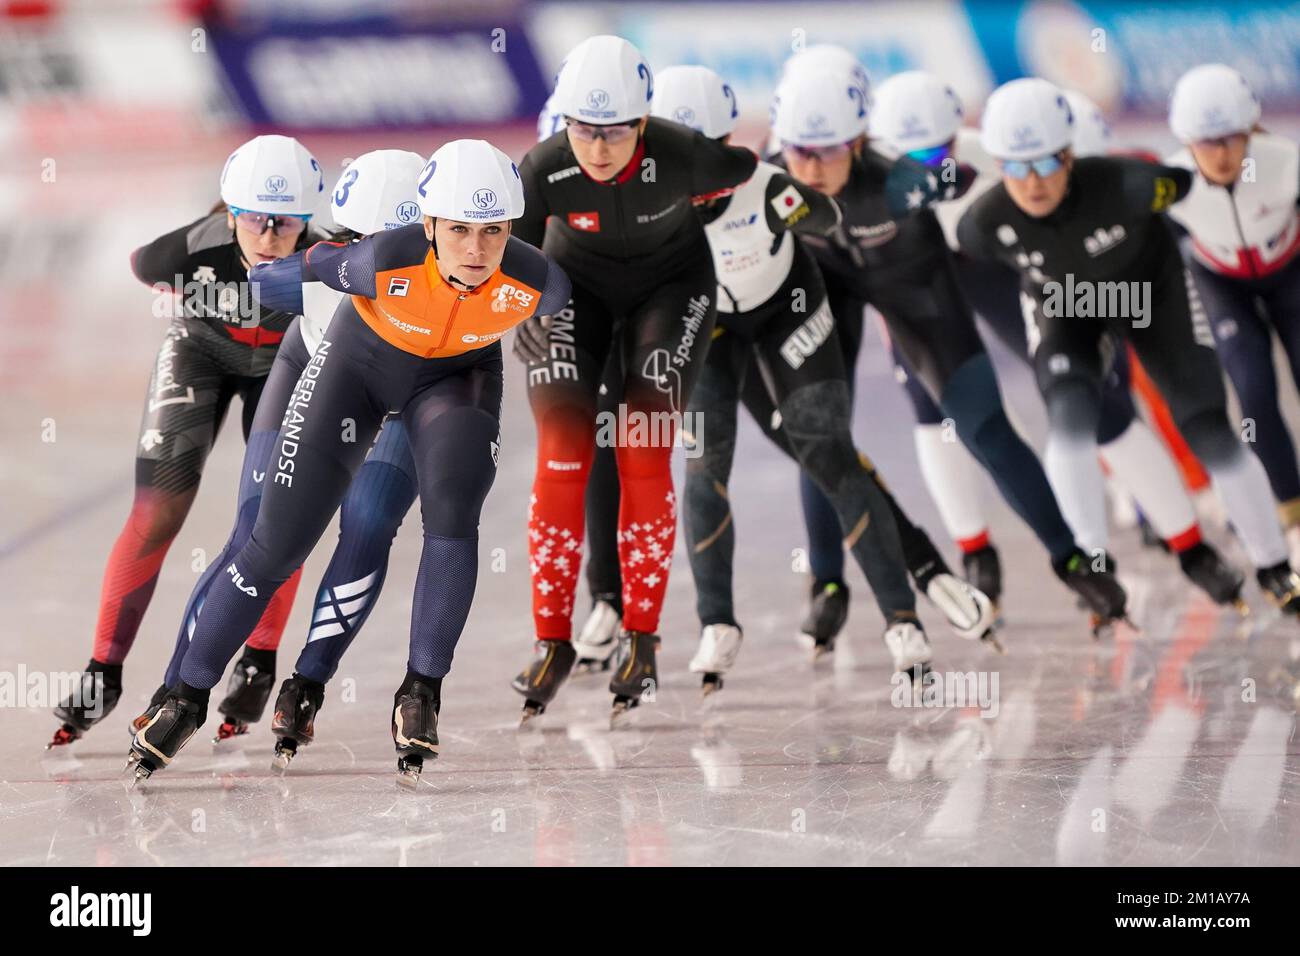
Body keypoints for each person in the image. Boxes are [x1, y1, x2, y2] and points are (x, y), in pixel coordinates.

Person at [126, 139, 571, 786]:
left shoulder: (538, 282)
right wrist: (262, 281)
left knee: (452, 517)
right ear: (428, 227)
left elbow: (577, 298)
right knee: (273, 543)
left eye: (493, 233)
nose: (475, 251)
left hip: (452, 385)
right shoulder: (378, 259)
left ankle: (421, 691)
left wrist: (556, 328)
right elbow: (308, 264)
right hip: (356, 373)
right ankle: (186, 696)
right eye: (458, 231)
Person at [769, 56, 1128, 639]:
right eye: (797, 151)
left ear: (860, 141)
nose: (809, 167)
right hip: (823, 287)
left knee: (984, 426)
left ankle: (1068, 558)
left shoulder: (903, 179)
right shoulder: (766, 175)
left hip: (914, 289)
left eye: (828, 151)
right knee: (820, 427)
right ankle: (827, 583)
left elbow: (977, 169)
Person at [870, 71, 1245, 611]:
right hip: (914, 284)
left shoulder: (994, 159)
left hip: (991, 268)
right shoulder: (864, 182)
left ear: (962, 135)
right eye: (914, 158)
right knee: (933, 411)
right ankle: (975, 549)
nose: (933, 167)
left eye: (941, 150)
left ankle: (1189, 546)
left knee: (1102, 407)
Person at [127, 150, 429, 768]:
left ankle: (307, 683)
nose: (367, 258)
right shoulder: (316, 264)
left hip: (404, 395)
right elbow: (222, 275)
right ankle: (180, 692)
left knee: (368, 526)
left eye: (393, 246)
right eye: (354, 241)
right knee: (258, 533)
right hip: (315, 370)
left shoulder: (462, 267)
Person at [957, 77, 1300, 618]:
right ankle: (1092, 563)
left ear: (1070, 157)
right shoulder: (985, 225)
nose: (1032, 182)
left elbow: (1189, 186)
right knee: (1071, 417)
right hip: (1067, 306)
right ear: (998, 167)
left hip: (1151, 296)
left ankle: (1275, 565)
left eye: (1045, 164)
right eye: (1015, 167)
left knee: (1208, 428)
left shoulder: (1132, 183)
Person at [508, 35, 758, 723]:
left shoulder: (684, 153)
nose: (597, 147)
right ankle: (553, 641)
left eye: (614, 131)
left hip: (671, 292)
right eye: (583, 130)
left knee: (643, 446)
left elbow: (743, 161)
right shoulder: (545, 166)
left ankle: (642, 641)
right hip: (572, 293)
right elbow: (512, 257)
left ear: (643, 125)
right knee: (563, 449)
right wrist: (519, 307)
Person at [49, 135, 325, 748]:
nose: (270, 235)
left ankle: (258, 660)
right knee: (157, 512)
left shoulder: (327, 258)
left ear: (308, 221)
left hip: (286, 362)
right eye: (255, 219)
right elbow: (141, 265)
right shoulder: (187, 250)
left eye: (287, 224)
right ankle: (103, 670)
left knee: (276, 517)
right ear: (229, 212)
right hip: (200, 353)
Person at [1164, 64, 1300, 564]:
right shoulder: (1171, 184)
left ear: (1251, 132)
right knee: (1255, 395)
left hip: (1291, 275)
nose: (1220, 155)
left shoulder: (1285, 161)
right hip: (1223, 286)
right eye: (1206, 143)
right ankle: (1294, 516)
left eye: (1230, 140)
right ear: (1186, 141)